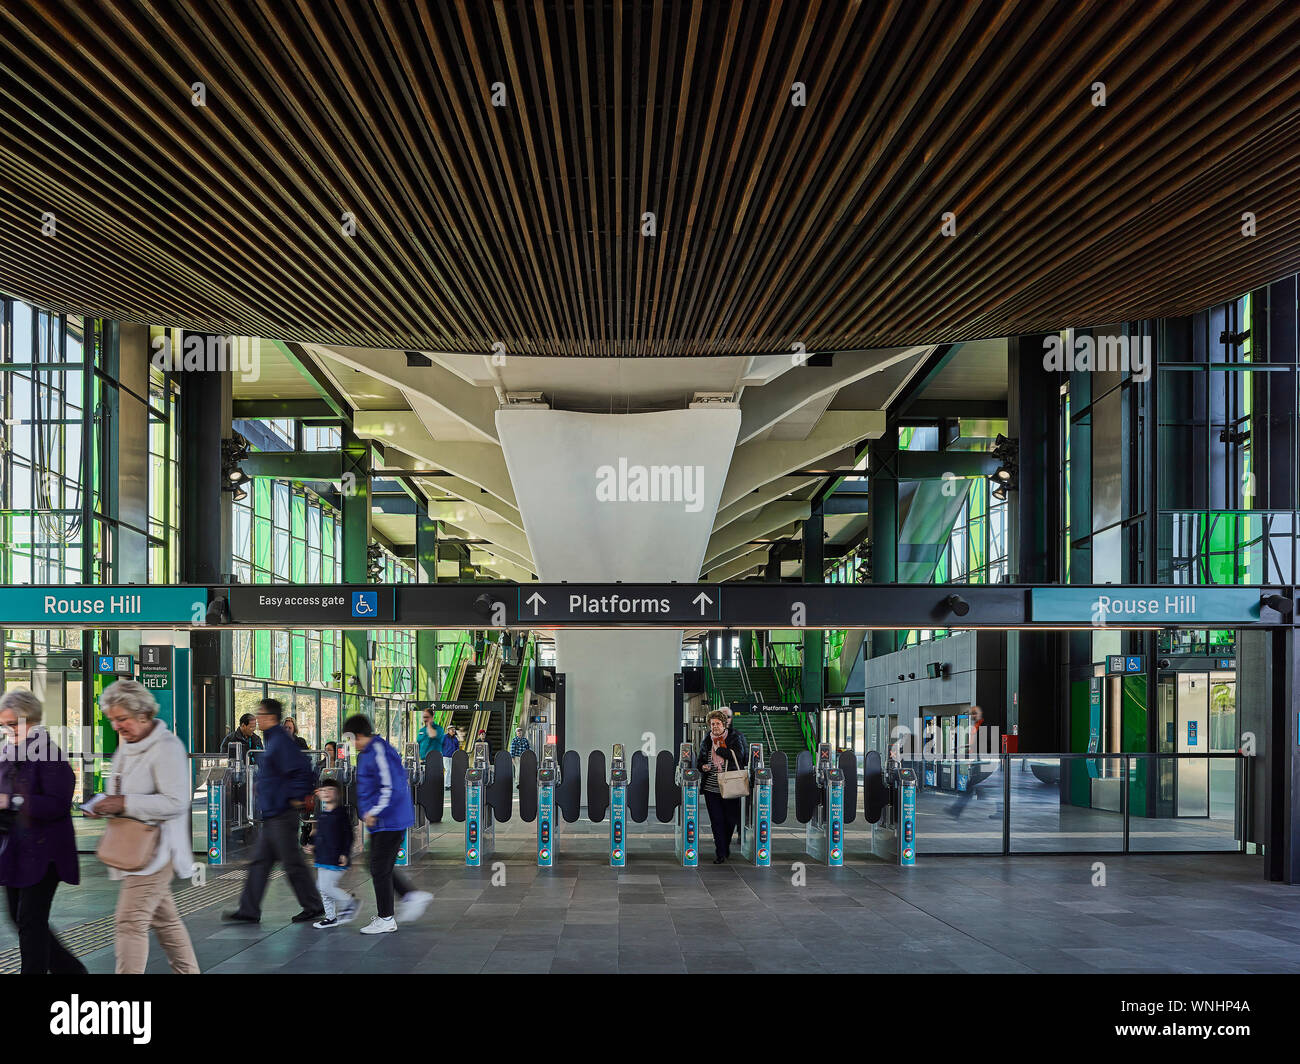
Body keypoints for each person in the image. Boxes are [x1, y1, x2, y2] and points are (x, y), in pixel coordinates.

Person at [89, 680, 200, 974]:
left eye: (121, 719)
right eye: (112, 720)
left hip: (156, 851)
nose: (116, 726)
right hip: (136, 848)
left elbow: (176, 802)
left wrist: (123, 803)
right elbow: (122, 791)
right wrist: (105, 804)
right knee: (165, 921)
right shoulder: (129, 745)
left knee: (129, 923)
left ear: (143, 714)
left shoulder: (166, 747)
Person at [0, 689, 87, 974]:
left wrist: (12, 800)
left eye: (13, 723)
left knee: (30, 920)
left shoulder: (49, 754)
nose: (8, 730)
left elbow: (58, 804)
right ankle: (72, 972)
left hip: (44, 853)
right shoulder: (7, 754)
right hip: (16, 850)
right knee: (20, 917)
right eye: (4, 724)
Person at [223, 699, 324, 924]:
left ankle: (313, 905)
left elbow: (303, 770)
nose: (257, 718)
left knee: (292, 863)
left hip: (281, 813)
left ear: (271, 717)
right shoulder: (273, 740)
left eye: (261, 714)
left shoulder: (281, 742)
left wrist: (295, 798)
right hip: (272, 813)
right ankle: (249, 909)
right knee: (261, 862)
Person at [343, 713, 432, 934]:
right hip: (382, 821)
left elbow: (389, 786)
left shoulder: (379, 751)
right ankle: (410, 896)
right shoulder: (367, 753)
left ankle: (386, 918)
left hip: (389, 819)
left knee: (378, 867)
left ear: (362, 735)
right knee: (376, 865)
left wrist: (373, 811)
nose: (352, 745)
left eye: (353, 739)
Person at [697, 709, 748, 864]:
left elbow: (739, 756)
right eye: (712, 724)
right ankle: (720, 852)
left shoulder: (735, 736)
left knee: (730, 819)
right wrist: (703, 766)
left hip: (731, 784)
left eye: (718, 723)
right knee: (716, 820)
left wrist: (719, 749)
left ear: (724, 724)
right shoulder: (706, 739)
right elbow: (700, 760)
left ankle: (725, 846)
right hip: (711, 787)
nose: (715, 727)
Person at [307, 778, 358, 928]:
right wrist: (312, 845)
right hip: (323, 858)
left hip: (336, 859)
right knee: (323, 889)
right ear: (319, 794)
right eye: (323, 790)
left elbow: (348, 835)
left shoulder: (341, 814)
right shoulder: (323, 814)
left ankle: (349, 903)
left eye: (331, 790)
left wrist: (344, 853)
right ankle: (330, 918)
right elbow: (321, 834)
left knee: (326, 887)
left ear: (338, 794)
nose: (327, 793)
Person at [440, 723, 460, 790]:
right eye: (452, 730)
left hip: (452, 756)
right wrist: (442, 752)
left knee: (451, 771)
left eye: (454, 730)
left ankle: (450, 784)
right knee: (447, 770)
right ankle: (446, 785)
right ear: (448, 731)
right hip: (445, 756)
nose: (453, 731)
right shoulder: (444, 737)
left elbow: (457, 746)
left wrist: (457, 752)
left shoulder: (455, 738)